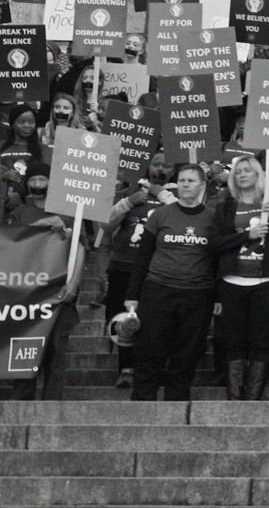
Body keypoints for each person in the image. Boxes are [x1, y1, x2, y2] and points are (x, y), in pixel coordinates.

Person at [207, 156, 269, 400]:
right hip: (231, 282)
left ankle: (253, 398)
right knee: (234, 340)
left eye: (248, 170)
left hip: (265, 283)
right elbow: (214, 244)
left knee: (262, 341)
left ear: (259, 175)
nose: (242, 175)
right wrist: (246, 236)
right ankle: (235, 397)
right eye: (238, 172)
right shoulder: (225, 206)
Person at [126, 163, 217, 401]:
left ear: (203, 185)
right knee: (150, 351)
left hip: (198, 293)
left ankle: (176, 407)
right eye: (182, 180)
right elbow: (143, 256)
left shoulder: (213, 218)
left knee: (187, 354)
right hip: (158, 290)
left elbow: (218, 259)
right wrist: (132, 294)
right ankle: (142, 406)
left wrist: (217, 297)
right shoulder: (160, 215)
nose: (185, 185)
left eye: (191, 180)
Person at [5, 163, 81, 399]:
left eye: (43, 179)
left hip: (58, 293)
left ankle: (52, 409)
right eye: (33, 180)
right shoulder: (18, 213)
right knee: (22, 353)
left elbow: (79, 247)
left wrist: (74, 283)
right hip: (25, 295)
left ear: (52, 182)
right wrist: (39, 226)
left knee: (57, 355)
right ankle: (22, 407)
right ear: (26, 183)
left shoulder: (70, 212)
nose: (38, 185)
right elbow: (10, 246)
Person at [104, 151, 172, 389]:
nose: (161, 169)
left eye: (166, 165)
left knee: (155, 323)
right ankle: (125, 368)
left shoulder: (175, 198)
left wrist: (162, 195)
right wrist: (128, 202)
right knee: (121, 318)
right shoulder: (130, 193)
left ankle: (151, 369)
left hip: (156, 270)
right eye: (156, 164)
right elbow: (106, 225)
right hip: (123, 267)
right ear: (148, 167)